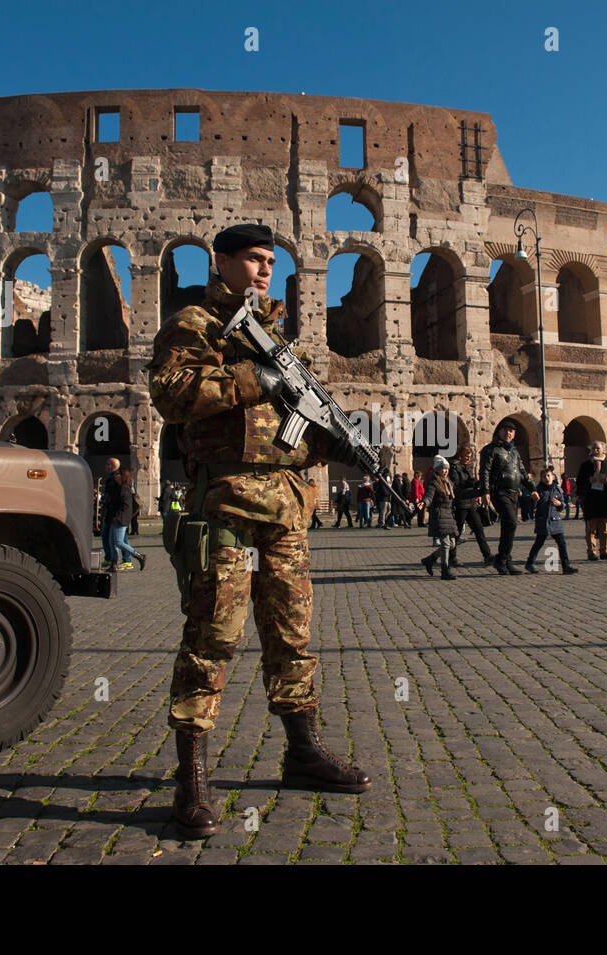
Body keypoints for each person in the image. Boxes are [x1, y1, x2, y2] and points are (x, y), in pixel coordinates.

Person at [147, 222, 368, 840]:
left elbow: (295, 422)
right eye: (252, 258)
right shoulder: (196, 323)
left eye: (271, 260)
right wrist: (251, 380)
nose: (265, 269)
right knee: (213, 637)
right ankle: (191, 779)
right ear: (221, 261)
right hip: (227, 505)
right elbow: (170, 393)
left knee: (292, 636)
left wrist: (334, 437)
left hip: (289, 511)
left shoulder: (281, 334)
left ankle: (303, 752)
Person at [479, 423, 533, 575]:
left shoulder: (514, 452)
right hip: (499, 491)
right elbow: (485, 471)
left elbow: (522, 472)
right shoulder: (491, 449)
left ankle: (507, 561)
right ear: (499, 432)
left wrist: (532, 489)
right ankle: (501, 559)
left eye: (511, 431)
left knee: (509, 527)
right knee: (511, 522)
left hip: (514, 492)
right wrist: (485, 491)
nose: (508, 433)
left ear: (514, 434)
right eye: (505, 430)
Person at [526, 467, 578, 574]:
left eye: (548, 476)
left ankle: (566, 566)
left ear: (553, 477)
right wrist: (533, 500)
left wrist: (560, 504)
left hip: (555, 521)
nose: (546, 478)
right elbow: (533, 506)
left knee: (562, 543)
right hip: (543, 520)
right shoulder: (538, 490)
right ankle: (530, 563)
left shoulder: (557, 489)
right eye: (544, 476)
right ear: (541, 478)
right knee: (538, 543)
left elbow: (563, 504)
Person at [450, 443, 495, 567]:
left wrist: (477, 484)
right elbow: (457, 484)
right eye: (466, 457)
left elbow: (470, 484)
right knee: (456, 532)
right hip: (460, 503)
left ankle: (487, 555)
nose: (468, 459)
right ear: (460, 456)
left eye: (470, 457)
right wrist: (472, 481)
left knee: (479, 529)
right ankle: (451, 557)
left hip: (471, 503)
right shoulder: (454, 467)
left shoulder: (468, 466)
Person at [420, 456, 459, 580]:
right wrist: (424, 503)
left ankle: (430, 559)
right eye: (442, 468)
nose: (445, 470)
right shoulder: (434, 482)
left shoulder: (447, 481)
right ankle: (445, 570)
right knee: (446, 543)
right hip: (439, 514)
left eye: (446, 468)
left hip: (448, 514)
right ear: (437, 469)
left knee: (452, 543)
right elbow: (429, 496)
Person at [576, 441, 607, 561]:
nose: (596, 450)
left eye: (598, 448)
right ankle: (591, 552)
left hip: (605, 499)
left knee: (604, 528)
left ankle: (604, 551)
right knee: (591, 529)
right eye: (594, 448)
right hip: (590, 499)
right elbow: (579, 481)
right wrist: (589, 481)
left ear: (603, 450)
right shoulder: (586, 465)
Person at [110, 467, 148, 569]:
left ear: (123, 476)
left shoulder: (124, 488)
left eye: (117, 474)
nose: (115, 476)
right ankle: (113, 563)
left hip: (120, 519)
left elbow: (125, 506)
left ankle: (138, 555)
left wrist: (117, 515)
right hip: (115, 518)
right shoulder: (118, 487)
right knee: (112, 541)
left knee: (118, 542)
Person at [99, 457, 123, 569]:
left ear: (112, 466)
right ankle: (109, 559)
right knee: (107, 537)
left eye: (107, 464)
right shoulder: (112, 478)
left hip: (116, 514)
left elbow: (119, 498)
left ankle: (124, 559)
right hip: (111, 513)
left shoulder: (117, 479)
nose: (105, 466)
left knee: (118, 541)